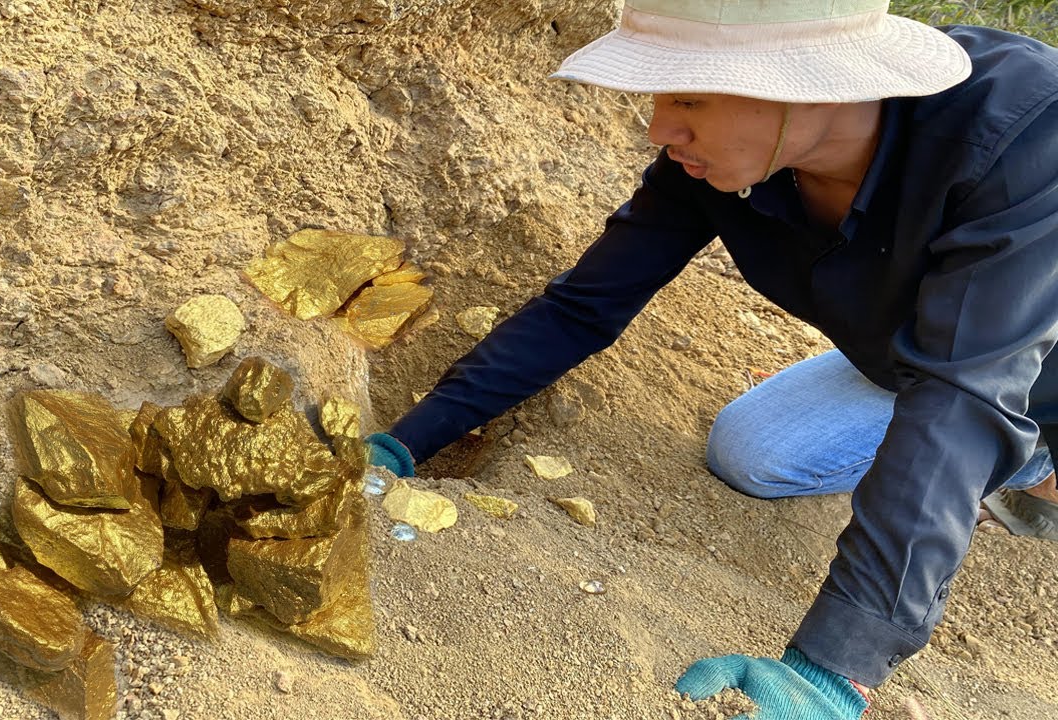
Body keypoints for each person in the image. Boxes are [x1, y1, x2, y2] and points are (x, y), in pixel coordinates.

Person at [365, 1, 1058, 717]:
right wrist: (403, 443)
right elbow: (584, 306)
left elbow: (964, 394)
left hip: (1021, 377)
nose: (660, 127)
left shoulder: (1023, 130)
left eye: (689, 96)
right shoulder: (717, 160)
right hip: (916, 357)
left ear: (809, 82)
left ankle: (1036, 459)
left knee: (967, 423)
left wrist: (830, 670)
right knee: (750, 454)